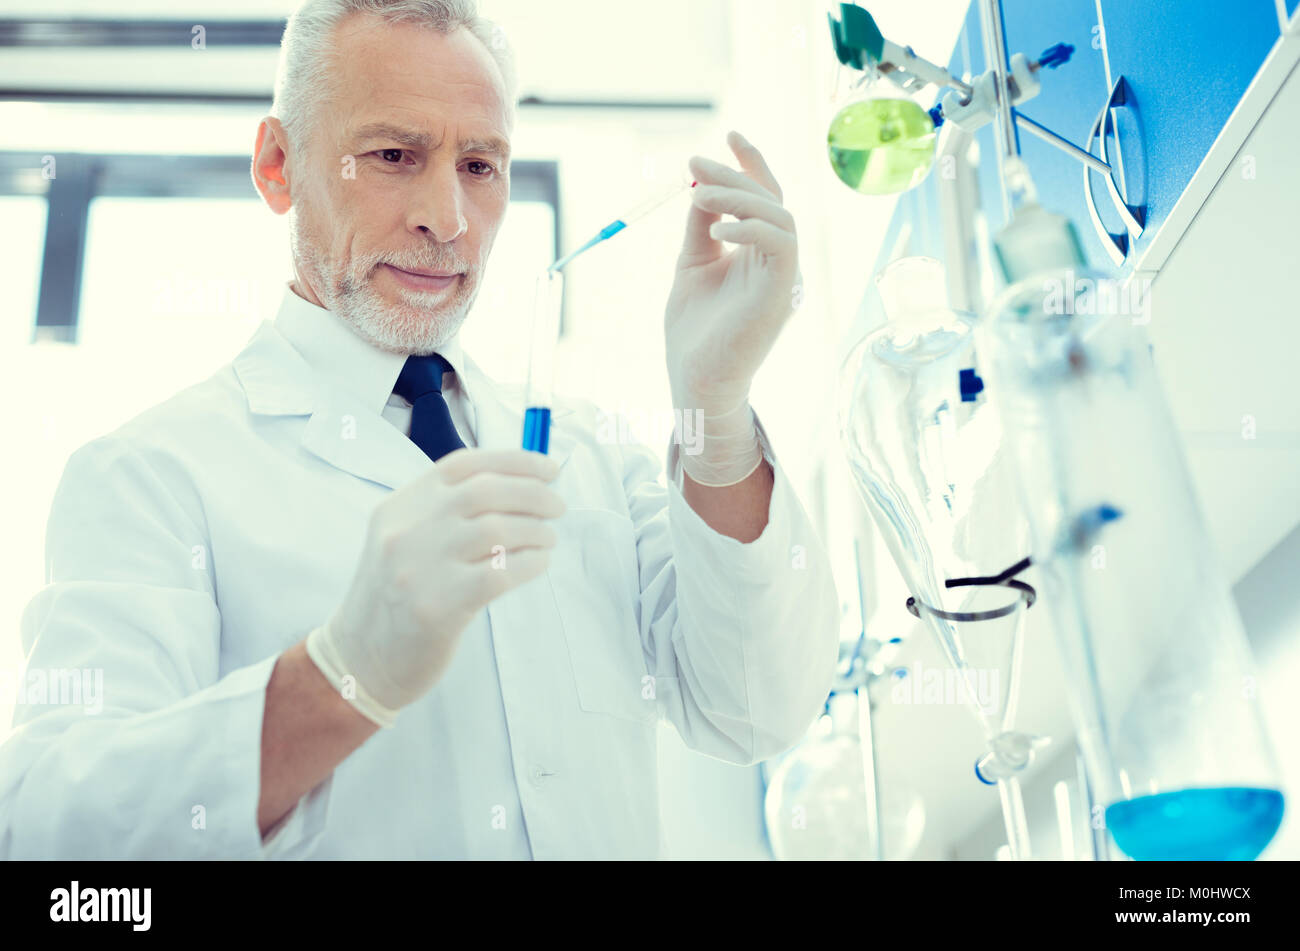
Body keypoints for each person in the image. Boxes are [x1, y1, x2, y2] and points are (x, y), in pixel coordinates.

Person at [0, 0, 838, 859]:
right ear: (278, 165)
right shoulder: (151, 477)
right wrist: (339, 675)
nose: (448, 218)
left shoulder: (584, 455)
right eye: (394, 156)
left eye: (480, 164)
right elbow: (59, 843)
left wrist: (719, 402)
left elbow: (755, 708)